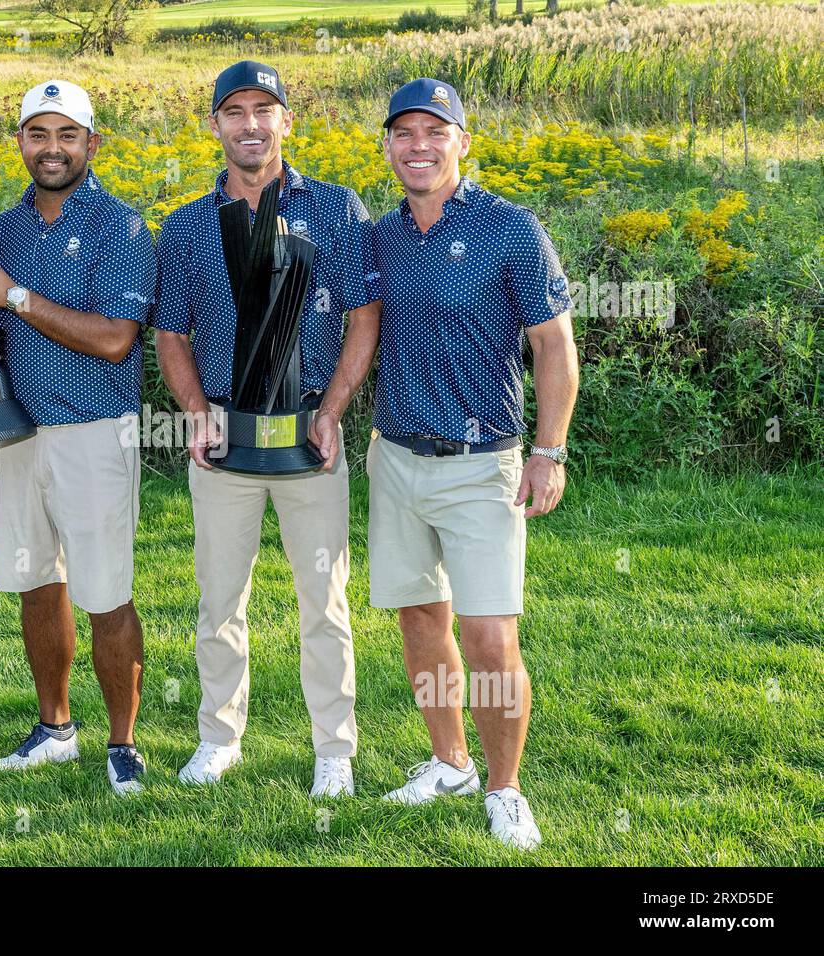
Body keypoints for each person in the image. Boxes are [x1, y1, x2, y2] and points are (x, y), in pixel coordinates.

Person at [334, 77, 578, 848]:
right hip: (398, 458)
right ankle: (450, 762)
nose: (419, 146)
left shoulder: (511, 228)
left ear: (462, 142)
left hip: (484, 464)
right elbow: (362, 332)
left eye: (434, 132)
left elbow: (554, 347)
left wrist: (549, 450)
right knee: (419, 619)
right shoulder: (380, 236)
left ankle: (504, 790)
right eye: (403, 133)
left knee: (489, 639)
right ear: (387, 148)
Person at [153, 61, 381, 797]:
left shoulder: (339, 209)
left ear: (287, 120)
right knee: (220, 599)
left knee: (325, 600)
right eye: (235, 111)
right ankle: (219, 738)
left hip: (308, 433)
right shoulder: (187, 225)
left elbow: (363, 318)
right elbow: (171, 334)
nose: (250, 124)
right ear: (215, 124)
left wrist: (333, 412)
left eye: (264, 109)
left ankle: (333, 750)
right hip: (226, 435)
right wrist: (195, 414)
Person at [0, 80, 157, 796]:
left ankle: (124, 742)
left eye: (67, 135)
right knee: (37, 586)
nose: (52, 148)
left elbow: (113, 339)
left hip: (94, 432)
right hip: (22, 439)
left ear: (91, 144)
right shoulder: (2, 232)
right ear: (20, 144)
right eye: (38, 134)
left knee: (106, 595)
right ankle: (55, 727)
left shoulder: (122, 228)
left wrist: (12, 295)